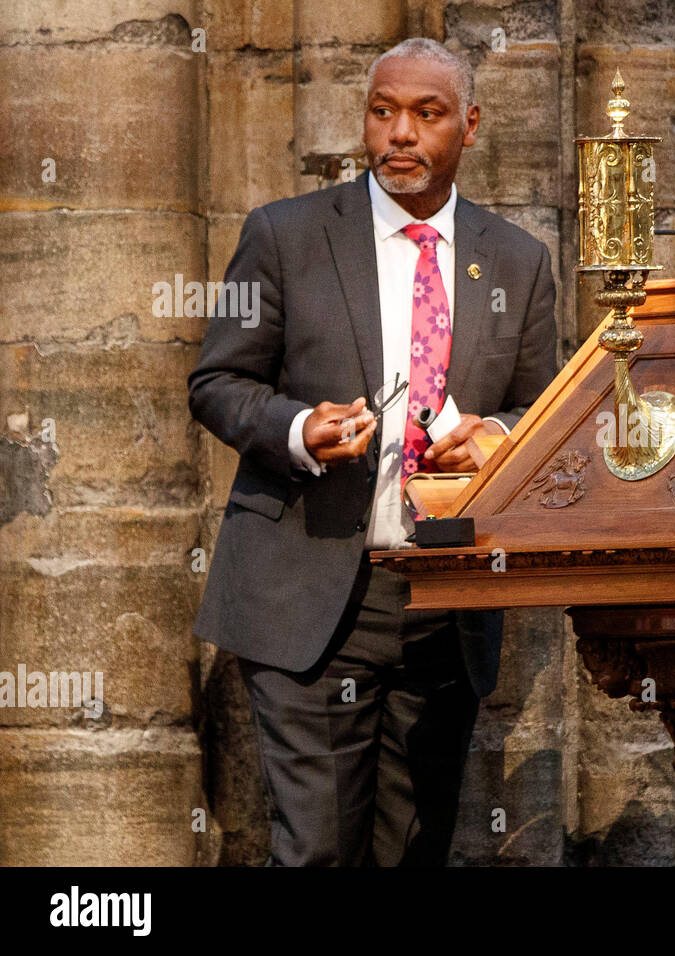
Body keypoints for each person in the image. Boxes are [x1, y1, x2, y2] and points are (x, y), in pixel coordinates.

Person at [187, 37, 558, 866]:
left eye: (426, 115)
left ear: (469, 125)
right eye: (383, 111)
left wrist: (496, 439)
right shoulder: (285, 235)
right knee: (318, 849)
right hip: (308, 594)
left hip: (440, 604)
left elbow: (545, 410)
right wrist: (296, 430)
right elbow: (216, 382)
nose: (399, 133)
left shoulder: (517, 261)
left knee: (410, 852)